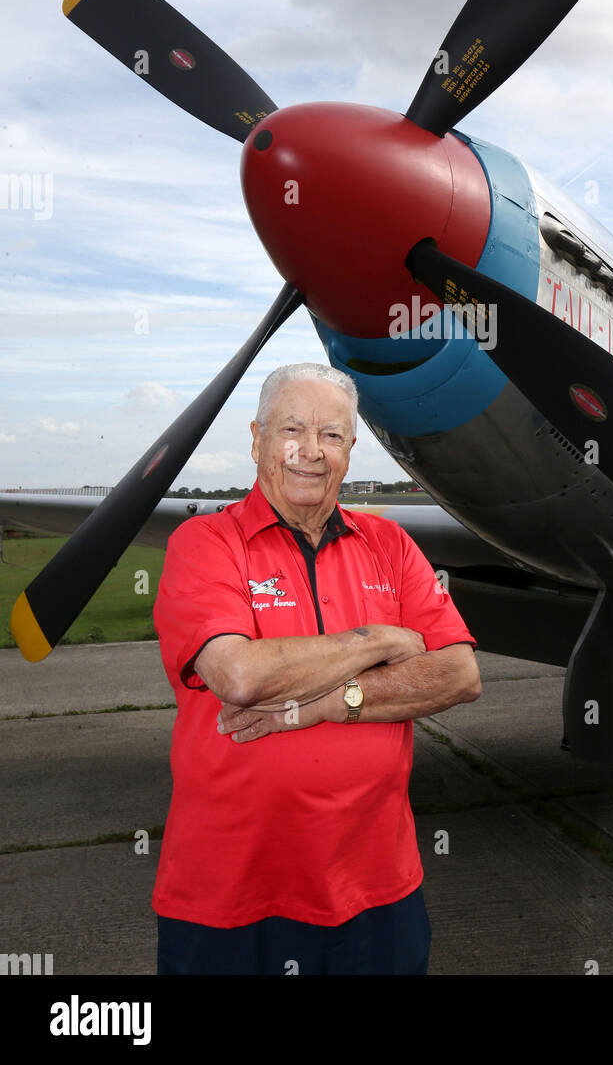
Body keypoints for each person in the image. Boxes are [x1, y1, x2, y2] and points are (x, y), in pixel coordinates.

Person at [151, 362, 480, 975]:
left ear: (350, 450)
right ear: (256, 439)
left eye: (332, 435)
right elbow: (240, 676)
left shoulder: (391, 543)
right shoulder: (205, 543)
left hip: (378, 889)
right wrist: (380, 637)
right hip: (230, 896)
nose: (311, 451)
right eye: (292, 430)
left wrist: (335, 701)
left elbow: (460, 675)